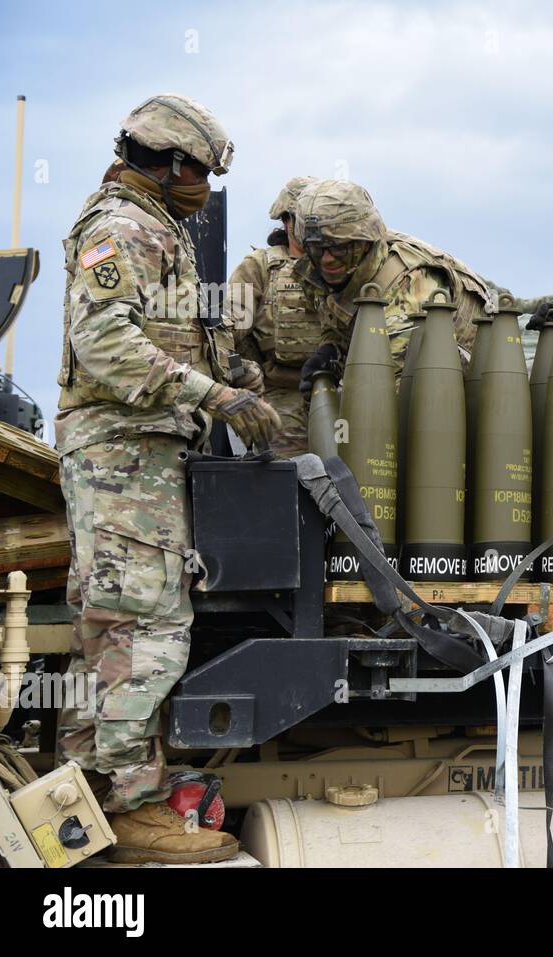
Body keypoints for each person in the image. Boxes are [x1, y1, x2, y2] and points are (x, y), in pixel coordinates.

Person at [55, 94, 279, 863]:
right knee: (145, 629)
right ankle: (133, 815)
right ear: (172, 164)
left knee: (112, 629)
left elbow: (177, 339)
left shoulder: (158, 228)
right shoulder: (120, 227)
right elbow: (105, 346)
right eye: (202, 175)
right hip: (123, 454)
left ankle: (80, 800)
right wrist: (213, 397)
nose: (206, 189)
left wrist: (238, 377)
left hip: (141, 454)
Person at [293, 179, 492, 389]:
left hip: (459, 391)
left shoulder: (410, 284)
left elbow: (394, 384)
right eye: (317, 248)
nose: (327, 259)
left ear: (364, 242)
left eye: (339, 248)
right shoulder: (317, 271)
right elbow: (335, 321)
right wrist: (331, 351)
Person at [228, 175, 320, 456]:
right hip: (279, 396)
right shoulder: (259, 267)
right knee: (287, 479)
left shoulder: (342, 266)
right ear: (286, 221)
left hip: (341, 396)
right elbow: (228, 329)